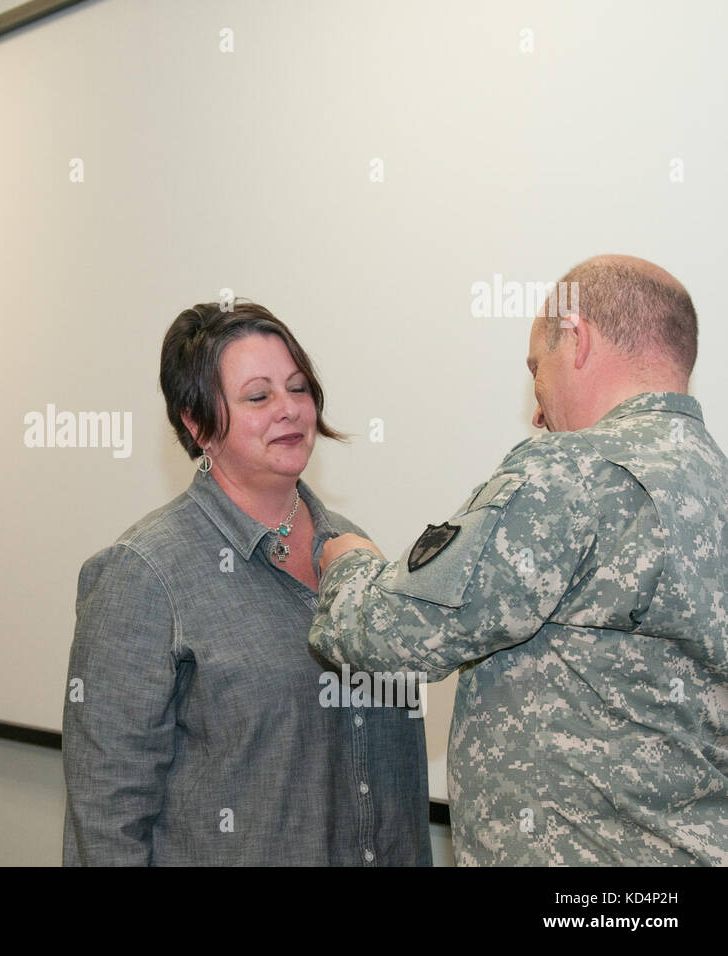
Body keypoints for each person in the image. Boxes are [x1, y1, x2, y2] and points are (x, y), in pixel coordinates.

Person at [312, 255, 728, 865]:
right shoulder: (713, 484)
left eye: (538, 369)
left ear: (577, 340)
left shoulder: (570, 470)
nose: (538, 412)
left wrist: (349, 564)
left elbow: (391, 637)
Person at [62, 301, 431, 865]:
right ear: (197, 423)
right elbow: (107, 814)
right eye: (258, 397)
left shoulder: (356, 553)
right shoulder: (143, 572)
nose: (290, 410)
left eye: (299, 388)